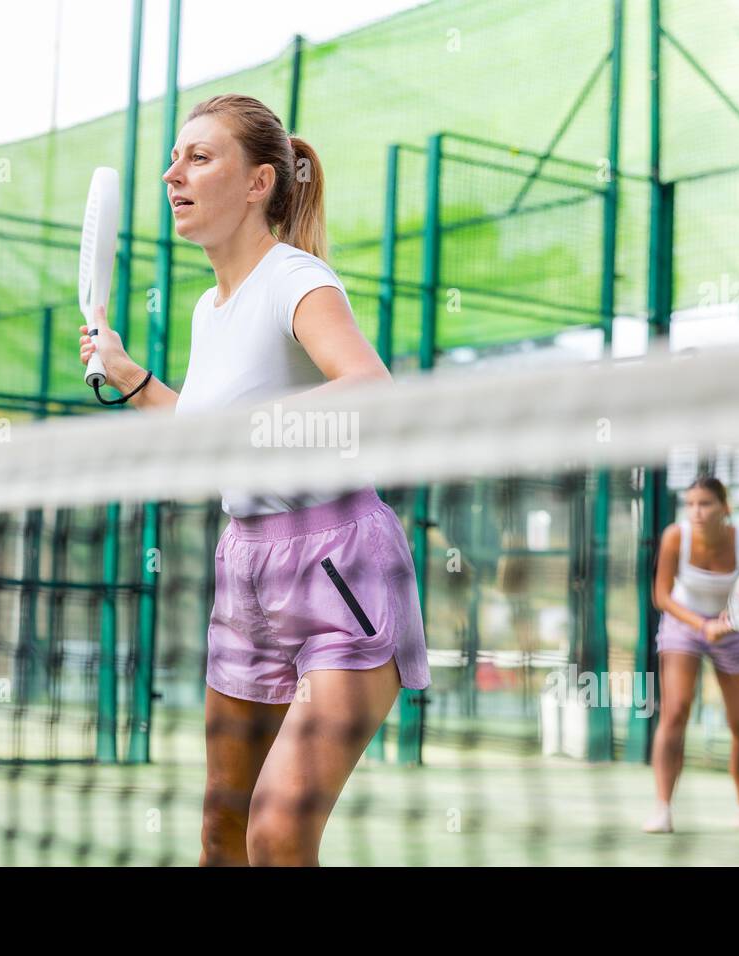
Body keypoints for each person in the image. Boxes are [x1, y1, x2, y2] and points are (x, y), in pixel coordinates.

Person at [78, 93, 431, 865]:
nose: (173, 174)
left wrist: (256, 430)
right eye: (173, 160)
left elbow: (369, 391)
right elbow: (209, 440)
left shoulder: (296, 279)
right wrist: (131, 376)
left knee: (277, 832)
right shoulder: (210, 308)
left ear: (258, 183)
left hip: (340, 567)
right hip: (245, 571)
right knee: (222, 835)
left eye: (198, 158)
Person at [643, 475, 739, 835]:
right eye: (691, 504)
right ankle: (662, 809)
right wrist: (702, 627)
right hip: (683, 625)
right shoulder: (675, 537)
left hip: (731, 631)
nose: (696, 512)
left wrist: (727, 624)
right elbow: (663, 597)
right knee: (675, 711)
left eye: (706, 504)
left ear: (725, 507)